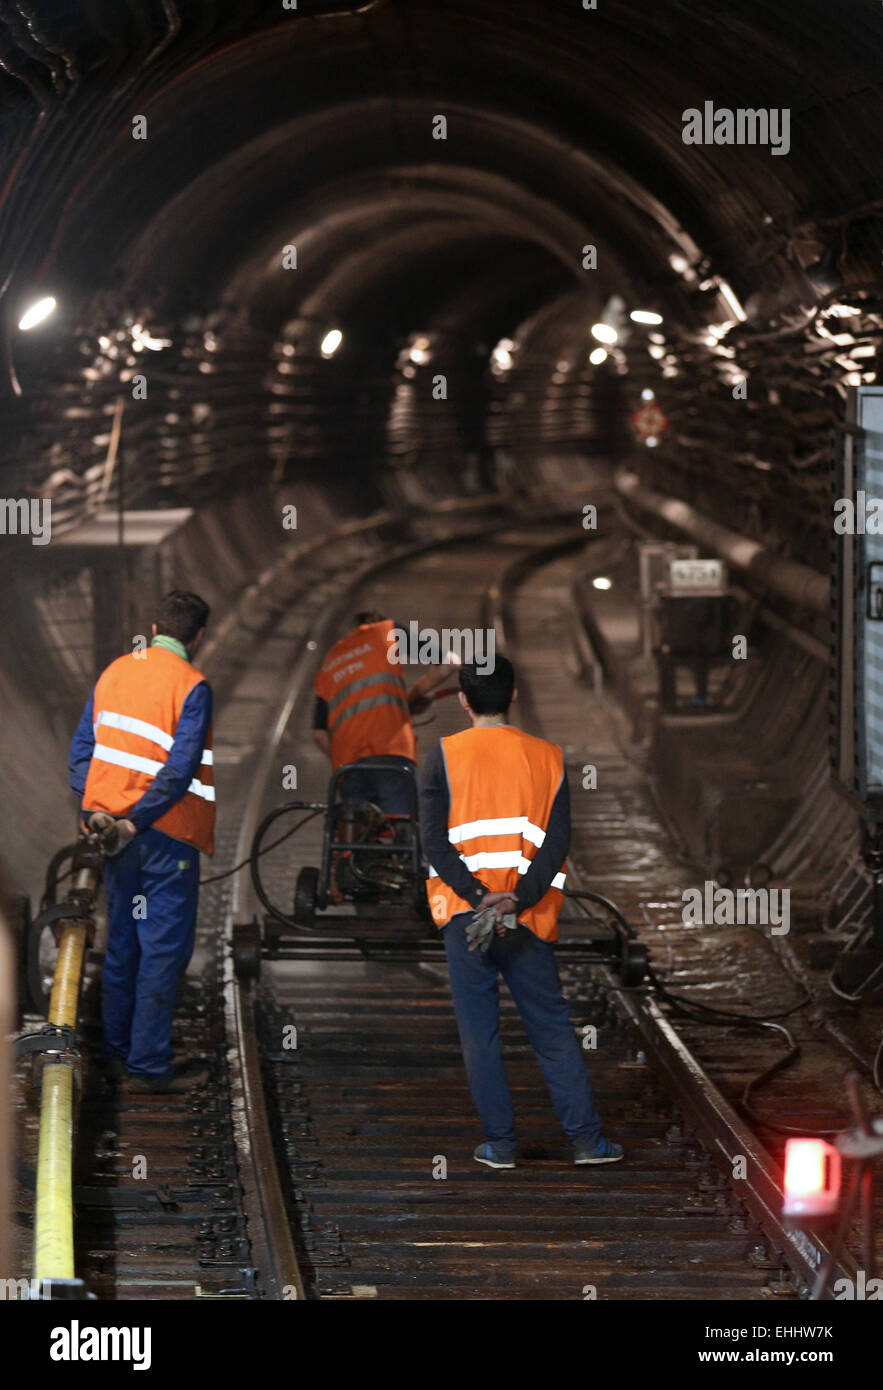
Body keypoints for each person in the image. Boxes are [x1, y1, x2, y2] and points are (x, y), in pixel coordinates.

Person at [419, 656, 622, 1169]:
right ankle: (586, 1143)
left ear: (463, 701)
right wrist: (517, 899)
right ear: (513, 696)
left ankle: (501, 1146)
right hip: (528, 919)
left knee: (480, 1034)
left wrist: (475, 895)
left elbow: (432, 844)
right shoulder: (548, 758)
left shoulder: (439, 757)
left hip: (466, 920)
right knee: (552, 1030)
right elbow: (556, 845)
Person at [68, 590, 214, 1092]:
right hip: (164, 841)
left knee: (123, 942)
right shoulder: (192, 685)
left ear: (154, 629)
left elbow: (82, 751)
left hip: (115, 840)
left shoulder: (114, 672)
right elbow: (179, 770)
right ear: (197, 637)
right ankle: (148, 1065)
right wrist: (138, 820)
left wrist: (98, 814)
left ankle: (115, 1053)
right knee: (162, 950)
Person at [312, 610, 451, 814]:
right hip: (391, 754)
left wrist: (341, 758)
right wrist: (410, 697)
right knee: (403, 828)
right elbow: (450, 662)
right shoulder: (386, 631)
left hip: (348, 765)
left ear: (351, 632)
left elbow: (319, 734)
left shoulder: (330, 661)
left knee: (357, 831)